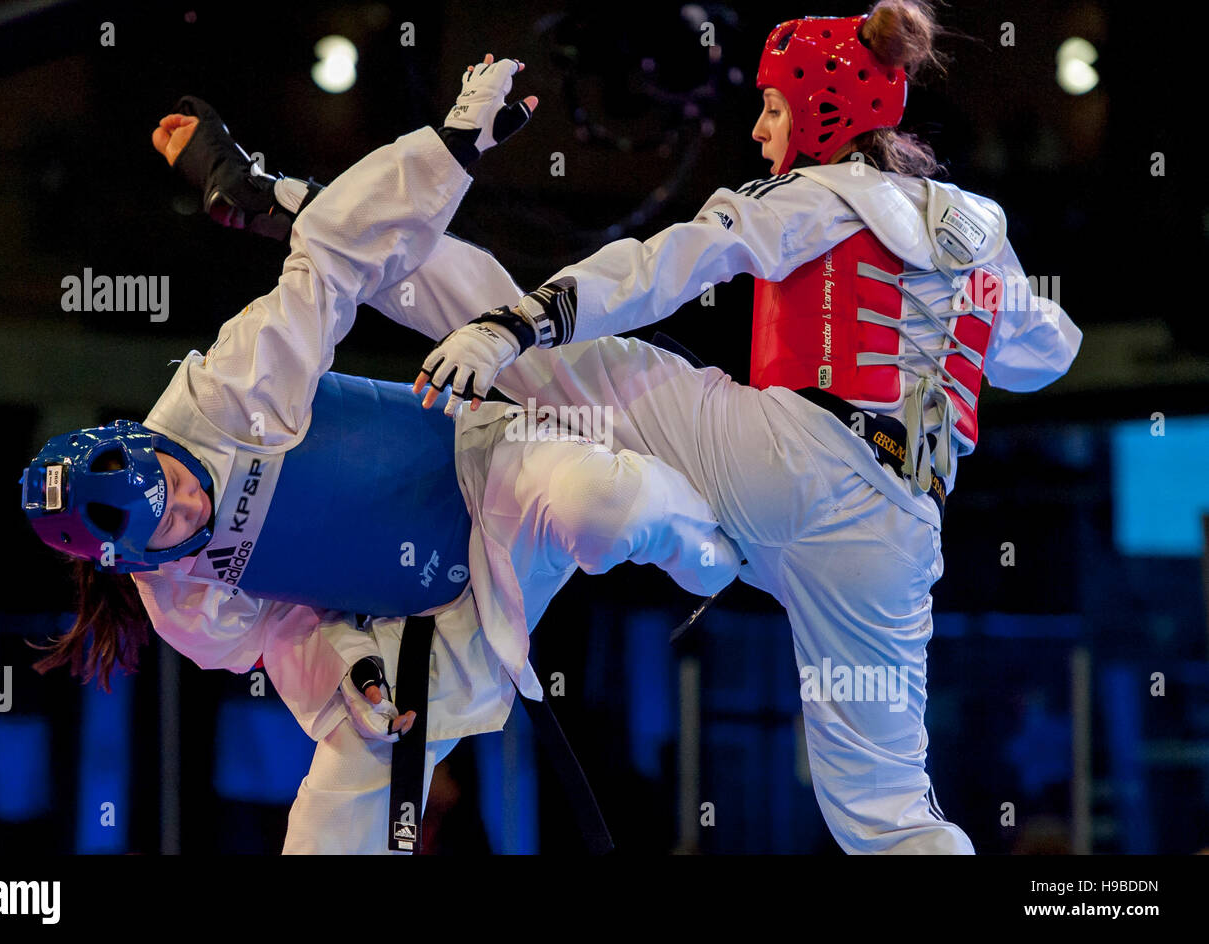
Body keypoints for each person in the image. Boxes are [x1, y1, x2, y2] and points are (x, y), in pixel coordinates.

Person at [21, 56, 740, 854]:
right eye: (167, 526)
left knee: (606, 510)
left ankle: (722, 547)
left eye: (172, 485)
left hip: (490, 471)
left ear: (145, 443)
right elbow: (289, 628)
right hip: (434, 621)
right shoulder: (184, 605)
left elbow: (332, 259)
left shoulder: (224, 397)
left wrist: (451, 146)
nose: (190, 504)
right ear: (130, 562)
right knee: (334, 821)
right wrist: (355, 669)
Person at [414, 3, 1083, 853]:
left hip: (789, 459)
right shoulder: (979, 229)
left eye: (774, 106)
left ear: (821, 112)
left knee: (595, 369)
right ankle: (692, 543)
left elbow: (664, 265)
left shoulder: (811, 194)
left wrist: (521, 324)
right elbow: (1050, 353)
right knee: (888, 811)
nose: (760, 126)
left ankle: (372, 249)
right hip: (896, 531)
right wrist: (967, 307)